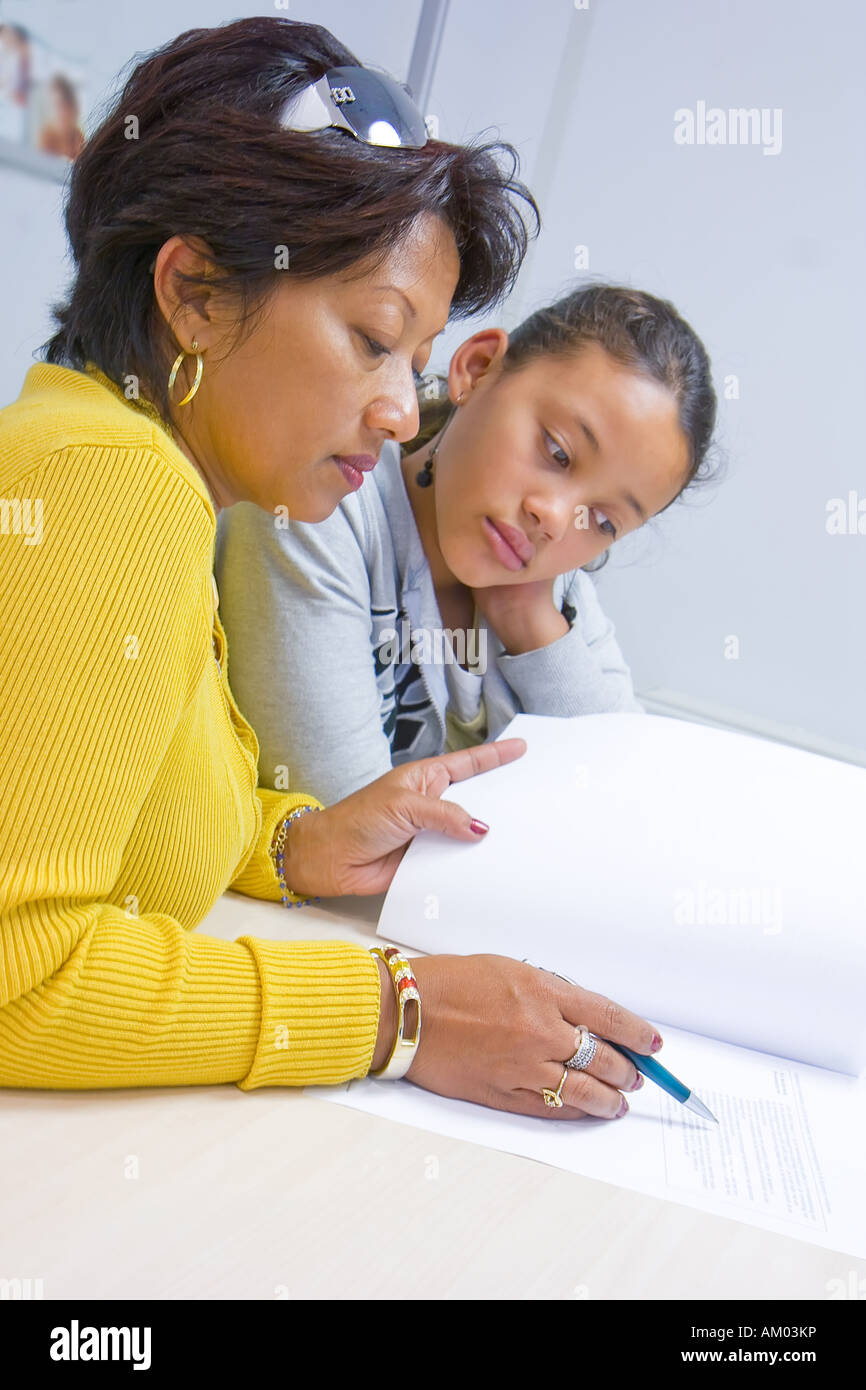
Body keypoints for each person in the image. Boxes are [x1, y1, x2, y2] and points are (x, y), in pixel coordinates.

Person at [0, 16, 662, 1120]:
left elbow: (127, 820)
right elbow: (19, 977)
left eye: (414, 356)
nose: (405, 409)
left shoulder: (113, 457)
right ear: (197, 293)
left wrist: (296, 843)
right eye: (372, 338)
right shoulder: (111, 485)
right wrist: (400, 1011)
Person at [215, 283, 717, 803]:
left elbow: (627, 797)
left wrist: (531, 626)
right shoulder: (323, 504)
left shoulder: (554, 591)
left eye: (606, 522)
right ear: (478, 370)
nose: (556, 519)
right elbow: (345, 823)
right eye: (558, 452)